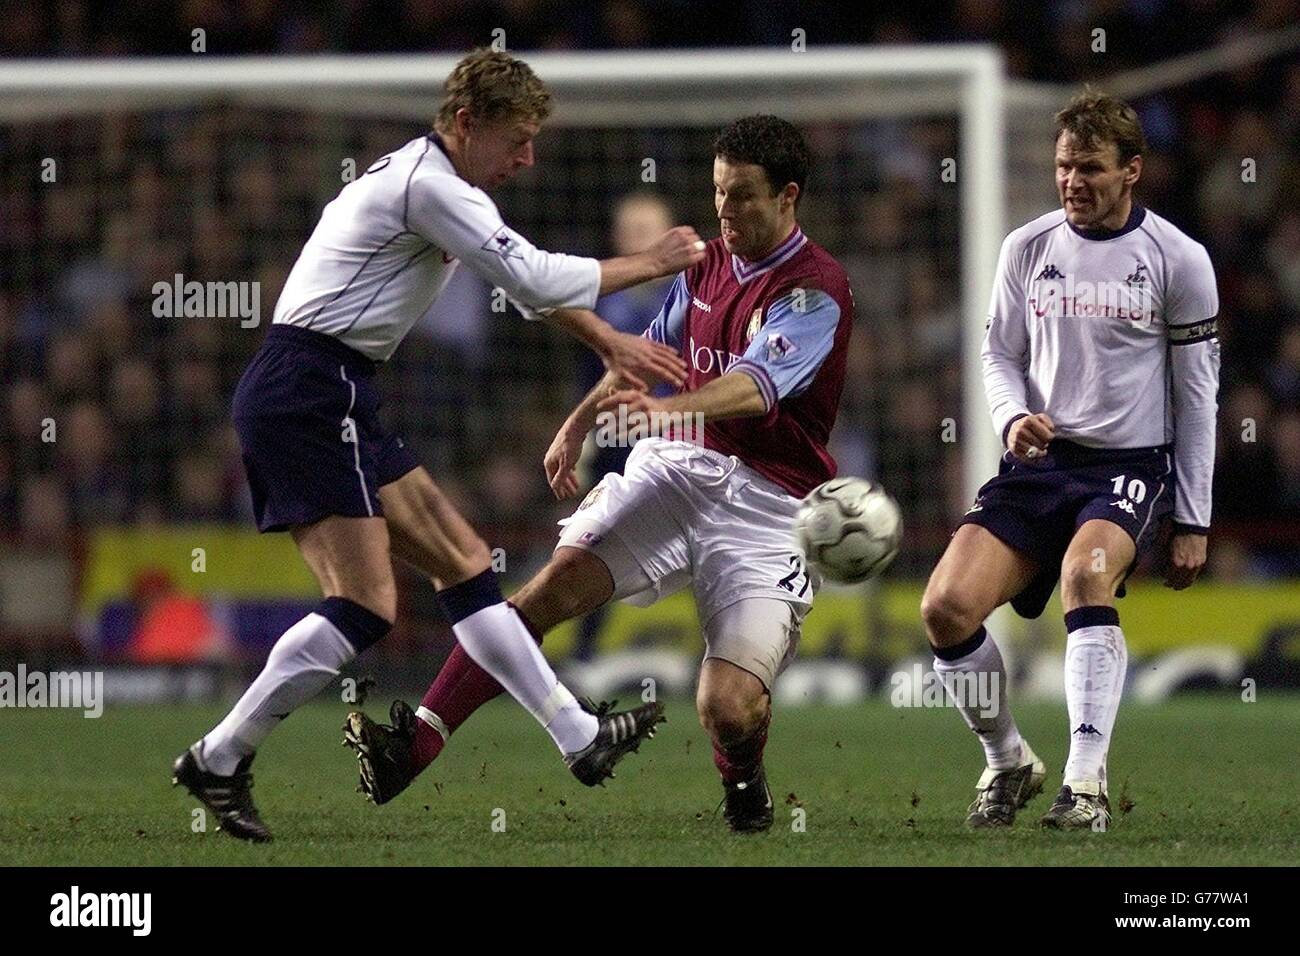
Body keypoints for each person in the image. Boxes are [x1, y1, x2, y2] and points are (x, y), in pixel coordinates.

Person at [172, 48, 705, 842]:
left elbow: (524, 289)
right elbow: (531, 275)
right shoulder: (431, 185)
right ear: (466, 123)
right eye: (516, 139)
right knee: (363, 606)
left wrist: (606, 342)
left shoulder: (436, 184)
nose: (527, 157)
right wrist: (650, 264)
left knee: (463, 563)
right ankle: (219, 756)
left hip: (331, 386)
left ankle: (578, 736)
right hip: (311, 389)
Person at [343, 115, 856, 834]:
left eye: (741, 196)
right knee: (546, 590)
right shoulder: (705, 264)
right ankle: (415, 743)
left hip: (768, 508)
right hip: (676, 472)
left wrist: (669, 406)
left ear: (788, 197)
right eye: (717, 192)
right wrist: (581, 420)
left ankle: (743, 780)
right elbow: (646, 349)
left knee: (727, 707)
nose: (724, 211)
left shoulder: (815, 289)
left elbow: (754, 386)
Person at [920, 90, 1219, 830]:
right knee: (944, 610)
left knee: (1085, 577)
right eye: (1063, 167)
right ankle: (1007, 759)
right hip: (1039, 465)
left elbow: (1199, 395)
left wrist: (1193, 517)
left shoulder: (1180, 260)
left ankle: (1085, 786)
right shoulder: (1027, 247)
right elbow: (998, 353)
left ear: (1132, 172)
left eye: (1090, 167)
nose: (1072, 182)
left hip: (1128, 465)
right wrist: (1010, 417)